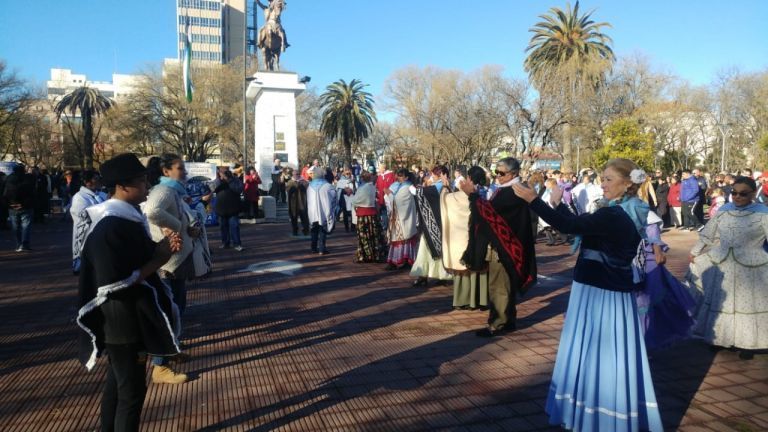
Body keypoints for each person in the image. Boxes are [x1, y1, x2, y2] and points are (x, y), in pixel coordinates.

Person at [511, 158, 663, 431]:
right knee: (595, 352)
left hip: (602, 291)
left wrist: (535, 200)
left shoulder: (615, 214)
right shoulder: (623, 210)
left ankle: (601, 414)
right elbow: (581, 223)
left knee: (600, 353)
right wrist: (555, 202)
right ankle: (591, 409)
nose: (602, 184)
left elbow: (571, 226)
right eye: (602, 178)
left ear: (627, 183)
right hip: (602, 287)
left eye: (608, 179)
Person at [75, 153, 183, 430]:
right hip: (122, 321)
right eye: (141, 180)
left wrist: (161, 249)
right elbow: (114, 282)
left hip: (125, 318)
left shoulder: (123, 218)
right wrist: (158, 259)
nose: (147, 185)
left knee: (119, 385)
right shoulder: (111, 224)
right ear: (122, 186)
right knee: (131, 394)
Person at [687, 176, 768, 360]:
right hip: (723, 261)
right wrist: (695, 251)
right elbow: (708, 233)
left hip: (752, 264)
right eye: (734, 193)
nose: (737, 197)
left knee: (745, 302)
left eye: (743, 194)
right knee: (721, 300)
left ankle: (747, 343)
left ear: (753, 193)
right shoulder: (724, 210)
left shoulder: (763, 213)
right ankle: (721, 338)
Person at [459, 157, 537, 337]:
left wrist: (472, 195)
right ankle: (506, 320)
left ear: (514, 173)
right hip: (506, 246)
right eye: (496, 172)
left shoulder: (514, 191)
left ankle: (498, 324)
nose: (498, 176)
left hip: (505, 248)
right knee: (502, 285)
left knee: (499, 286)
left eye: (502, 173)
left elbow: (491, 214)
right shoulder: (510, 189)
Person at [143, 154, 195, 384]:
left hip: (175, 258)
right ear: (166, 171)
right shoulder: (163, 191)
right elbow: (152, 211)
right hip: (168, 261)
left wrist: (187, 229)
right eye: (179, 168)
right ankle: (159, 366)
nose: (183, 171)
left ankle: (170, 350)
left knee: (176, 307)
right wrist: (176, 227)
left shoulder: (173, 191)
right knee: (168, 310)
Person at [442, 166, 489, 310]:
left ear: (468, 178)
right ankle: (480, 300)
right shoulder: (485, 195)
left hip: (459, 238)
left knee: (462, 268)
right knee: (478, 266)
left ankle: (462, 300)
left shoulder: (454, 197)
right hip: (477, 238)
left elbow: (444, 200)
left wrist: (445, 187)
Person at [411, 165, 453, 287]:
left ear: (439, 175)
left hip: (432, 223)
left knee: (425, 249)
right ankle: (441, 275)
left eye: (433, 174)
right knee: (439, 250)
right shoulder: (446, 186)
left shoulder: (439, 186)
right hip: (439, 222)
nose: (431, 176)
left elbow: (419, 193)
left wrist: (412, 187)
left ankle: (423, 276)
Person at [70, 170, 105, 274]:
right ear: (87, 182)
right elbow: (84, 216)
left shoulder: (102, 194)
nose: (99, 181)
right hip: (86, 236)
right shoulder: (79, 197)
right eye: (96, 178)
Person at [384, 168, 419, 270]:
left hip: (405, 217)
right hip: (397, 217)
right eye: (398, 175)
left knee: (405, 238)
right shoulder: (398, 186)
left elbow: (400, 199)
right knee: (395, 238)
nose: (398, 177)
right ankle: (394, 261)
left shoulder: (409, 186)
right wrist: (389, 195)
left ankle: (407, 259)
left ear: (406, 177)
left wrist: (389, 194)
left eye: (401, 175)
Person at [351, 171, 386, 263]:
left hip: (363, 213)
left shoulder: (362, 188)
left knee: (363, 235)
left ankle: (365, 255)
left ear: (362, 178)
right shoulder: (372, 187)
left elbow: (355, 201)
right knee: (374, 234)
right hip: (372, 213)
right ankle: (375, 254)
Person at [3, 164, 34, 251]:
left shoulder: (8, 179)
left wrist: (8, 204)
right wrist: (24, 204)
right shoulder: (28, 178)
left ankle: (18, 244)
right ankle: (25, 244)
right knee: (26, 226)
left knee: (15, 227)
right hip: (25, 206)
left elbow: (4, 193)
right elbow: (31, 193)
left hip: (12, 206)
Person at [306, 166, 337, 254]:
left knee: (314, 229)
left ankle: (313, 247)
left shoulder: (310, 187)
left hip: (313, 212)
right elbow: (334, 197)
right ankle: (322, 248)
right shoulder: (328, 186)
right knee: (323, 229)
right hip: (324, 211)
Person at [214, 170, 245, 251]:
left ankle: (237, 244)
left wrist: (229, 181)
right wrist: (219, 179)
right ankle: (225, 243)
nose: (222, 176)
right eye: (220, 174)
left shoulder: (235, 180)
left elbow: (239, 189)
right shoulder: (218, 181)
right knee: (223, 227)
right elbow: (212, 188)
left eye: (223, 175)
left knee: (234, 226)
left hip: (233, 208)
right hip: (221, 208)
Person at [286, 169, 310, 237]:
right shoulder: (290, 182)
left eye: (298, 174)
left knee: (304, 217)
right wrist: (296, 185)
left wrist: (301, 184)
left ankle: (306, 230)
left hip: (302, 202)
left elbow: (307, 186)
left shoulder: (304, 181)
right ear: (293, 175)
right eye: (295, 174)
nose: (297, 176)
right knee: (294, 218)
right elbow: (288, 189)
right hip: (293, 204)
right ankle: (295, 230)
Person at [375, 163, 395, 232]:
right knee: (383, 212)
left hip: (389, 197)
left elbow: (393, 185)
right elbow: (377, 187)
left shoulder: (390, 175)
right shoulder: (379, 176)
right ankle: (385, 226)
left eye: (380, 168)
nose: (379, 170)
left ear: (384, 168)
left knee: (391, 212)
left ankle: (391, 226)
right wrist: (378, 196)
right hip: (381, 198)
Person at [335, 167, 355, 232]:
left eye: (349, 173)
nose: (348, 175)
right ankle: (347, 227)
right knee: (345, 214)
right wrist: (345, 190)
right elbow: (338, 191)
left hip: (352, 199)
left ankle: (352, 227)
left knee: (353, 213)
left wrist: (353, 186)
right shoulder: (341, 181)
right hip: (344, 199)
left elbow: (356, 189)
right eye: (346, 174)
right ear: (344, 174)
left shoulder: (353, 180)